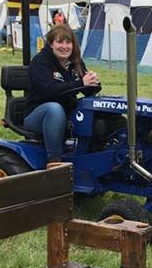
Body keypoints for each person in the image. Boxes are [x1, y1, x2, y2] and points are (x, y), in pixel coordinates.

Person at [24, 23, 100, 165]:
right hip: (39, 115)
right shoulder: (40, 62)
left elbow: (86, 89)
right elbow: (50, 90)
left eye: (68, 42)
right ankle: (54, 161)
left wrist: (93, 82)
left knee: (99, 112)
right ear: (51, 44)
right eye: (60, 42)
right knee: (54, 109)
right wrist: (81, 83)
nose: (64, 47)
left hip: (68, 113)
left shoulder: (75, 62)